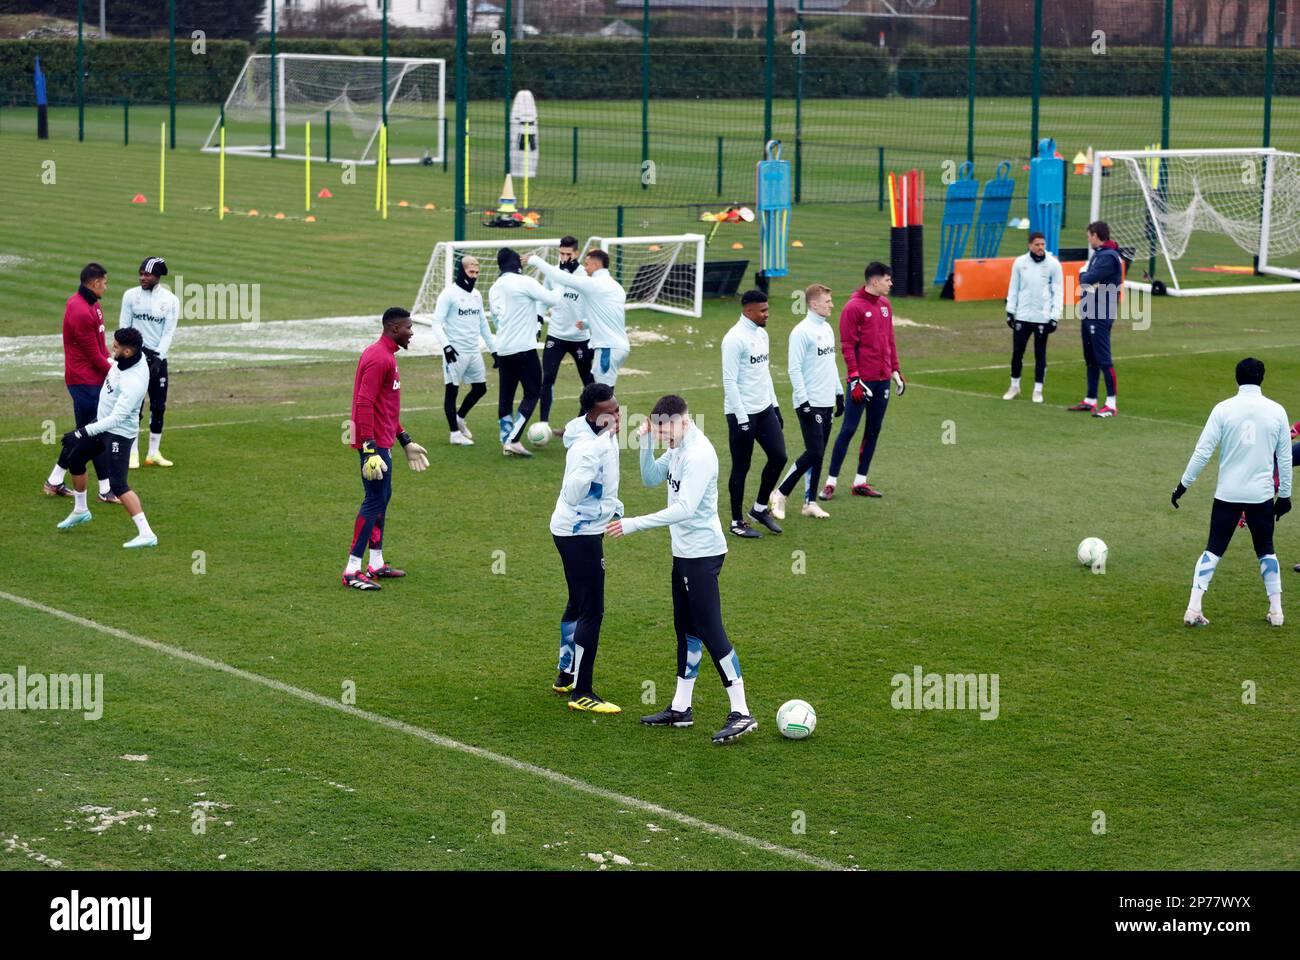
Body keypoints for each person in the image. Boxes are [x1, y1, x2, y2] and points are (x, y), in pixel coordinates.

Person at [608, 395, 758, 745]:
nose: (664, 439)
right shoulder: (677, 446)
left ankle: (742, 711)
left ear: (682, 422)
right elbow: (649, 477)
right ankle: (681, 708)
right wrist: (645, 441)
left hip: (703, 555)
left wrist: (634, 524)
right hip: (684, 553)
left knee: (709, 628)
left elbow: (686, 508)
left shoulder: (699, 454)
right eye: (658, 434)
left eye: (664, 433)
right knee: (686, 628)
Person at [1171, 357, 1292, 627]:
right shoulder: (1277, 411)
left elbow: (1202, 452)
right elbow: (1284, 458)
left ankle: (1193, 608)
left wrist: (1183, 485)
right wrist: (1284, 495)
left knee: (1213, 549)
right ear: (1262, 378)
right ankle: (1276, 612)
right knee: (1266, 550)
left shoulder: (1223, 409)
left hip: (1228, 493)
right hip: (1261, 496)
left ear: (1237, 379)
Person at [549, 381, 623, 714]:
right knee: (593, 609)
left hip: (576, 528)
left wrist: (614, 506)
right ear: (593, 415)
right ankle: (583, 691)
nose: (618, 418)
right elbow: (574, 492)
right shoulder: (588, 448)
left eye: (619, 410)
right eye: (611, 413)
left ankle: (566, 673)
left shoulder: (592, 430)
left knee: (577, 601)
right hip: (579, 535)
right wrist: (593, 457)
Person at [342, 308, 429, 590]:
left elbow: (385, 408)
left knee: (383, 497)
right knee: (374, 500)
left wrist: (404, 440)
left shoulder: (385, 356)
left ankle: (375, 563)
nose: (412, 332)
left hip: (382, 440)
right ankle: (352, 569)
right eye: (408, 327)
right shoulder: (380, 358)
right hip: (374, 443)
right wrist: (369, 449)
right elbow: (363, 403)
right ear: (394, 328)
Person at [54, 327, 160, 548]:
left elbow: (116, 419)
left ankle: (147, 533)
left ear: (128, 352)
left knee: (118, 485)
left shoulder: (134, 382)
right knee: (75, 459)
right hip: (101, 425)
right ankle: (81, 510)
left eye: (117, 346)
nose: (113, 347)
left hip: (118, 435)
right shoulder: (129, 359)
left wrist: (81, 432)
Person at [822, 261, 905, 501]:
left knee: (874, 429)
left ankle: (860, 481)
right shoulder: (853, 308)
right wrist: (855, 379)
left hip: (882, 380)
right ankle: (830, 482)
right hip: (862, 382)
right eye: (888, 280)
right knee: (848, 429)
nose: (891, 283)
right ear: (875, 281)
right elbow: (847, 346)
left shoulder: (885, 306)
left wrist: (896, 371)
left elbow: (890, 340)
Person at [771, 283, 842, 520]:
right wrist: (803, 402)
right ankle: (780, 493)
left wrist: (839, 392)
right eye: (827, 301)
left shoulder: (828, 329)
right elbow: (794, 369)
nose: (832, 304)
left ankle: (809, 502)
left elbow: (830, 363)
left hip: (826, 401)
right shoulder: (801, 332)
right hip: (809, 402)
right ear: (813, 304)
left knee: (819, 454)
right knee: (814, 451)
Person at [45, 262, 115, 503]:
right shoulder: (79, 310)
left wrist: (111, 363)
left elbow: (100, 346)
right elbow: (91, 355)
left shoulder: (92, 305)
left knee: (87, 432)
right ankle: (105, 489)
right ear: (95, 283)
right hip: (83, 380)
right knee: (91, 433)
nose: (106, 286)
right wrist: (117, 372)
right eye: (104, 282)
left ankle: (55, 480)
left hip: (93, 378)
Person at [721, 289, 786, 538]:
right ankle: (737, 522)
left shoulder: (762, 334)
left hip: (765, 409)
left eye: (767, 309)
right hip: (742, 413)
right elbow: (729, 382)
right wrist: (742, 418)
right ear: (748, 311)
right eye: (763, 311)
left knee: (779, 456)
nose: (767, 314)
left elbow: (764, 373)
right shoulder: (733, 339)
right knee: (741, 466)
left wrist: (775, 405)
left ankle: (759, 509)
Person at [488, 247, 563, 457]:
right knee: (532, 392)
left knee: (506, 395)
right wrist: (562, 281)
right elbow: (554, 299)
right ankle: (512, 440)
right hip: (524, 349)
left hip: (503, 348)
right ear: (518, 264)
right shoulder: (524, 282)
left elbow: (496, 319)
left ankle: (506, 439)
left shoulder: (494, 288)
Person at [529, 247, 628, 387]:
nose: (585, 268)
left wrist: (535, 260)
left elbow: (561, 277)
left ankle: (621, 411)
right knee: (592, 392)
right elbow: (608, 315)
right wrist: (587, 323)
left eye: (587, 264)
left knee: (604, 396)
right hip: (617, 347)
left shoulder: (594, 284)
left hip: (608, 349)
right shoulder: (617, 287)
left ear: (596, 265)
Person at [119, 256, 180, 467]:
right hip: (135, 360)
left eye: (147, 274)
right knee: (134, 405)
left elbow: (168, 332)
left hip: (158, 360)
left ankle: (153, 452)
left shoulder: (171, 300)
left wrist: (158, 356)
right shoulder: (130, 296)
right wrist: (138, 353)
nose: (142, 277)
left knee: (158, 405)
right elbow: (124, 329)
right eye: (141, 273)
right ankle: (132, 452)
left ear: (158, 276)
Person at [430, 255, 495, 446]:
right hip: (455, 351)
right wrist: (446, 346)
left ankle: (460, 417)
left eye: (476, 273)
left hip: (473, 351)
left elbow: (483, 324)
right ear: (462, 271)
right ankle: (453, 434)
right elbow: (436, 323)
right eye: (470, 272)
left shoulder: (476, 295)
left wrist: (494, 351)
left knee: (480, 388)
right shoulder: (448, 294)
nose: (474, 276)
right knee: (452, 391)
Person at [538, 237, 595, 434]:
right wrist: (538, 320)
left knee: (590, 384)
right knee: (547, 379)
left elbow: (595, 303)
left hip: (580, 339)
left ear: (576, 253)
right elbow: (543, 298)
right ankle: (543, 425)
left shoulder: (586, 275)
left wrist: (587, 323)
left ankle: (577, 427)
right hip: (556, 336)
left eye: (568, 254)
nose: (563, 258)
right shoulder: (553, 273)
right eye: (561, 253)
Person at [1068, 220, 1123, 418]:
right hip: (1089, 311)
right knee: (1090, 358)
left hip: (1100, 313)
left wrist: (1084, 273)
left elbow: (1085, 280)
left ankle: (1111, 403)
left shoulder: (1108, 257)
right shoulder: (1100, 255)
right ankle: (1091, 399)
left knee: (1103, 358)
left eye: (1089, 236)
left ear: (1096, 235)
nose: (1088, 239)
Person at [1003, 232, 1063, 403]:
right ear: (1029, 245)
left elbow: (1058, 292)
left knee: (1040, 354)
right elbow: (1014, 287)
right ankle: (1014, 386)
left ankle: (1038, 390)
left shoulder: (1053, 265)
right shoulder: (1020, 263)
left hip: (1042, 317)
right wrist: (1010, 311)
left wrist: (1054, 317)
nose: (1040, 248)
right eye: (1037, 244)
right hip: (1022, 315)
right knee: (1017, 352)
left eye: (1043, 244)